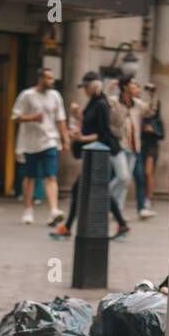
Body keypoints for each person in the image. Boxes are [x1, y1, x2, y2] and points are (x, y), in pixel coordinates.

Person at [50, 73, 130, 242]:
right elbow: (89, 123)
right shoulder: (94, 102)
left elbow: (102, 133)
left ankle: (67, 227)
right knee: (90, 189)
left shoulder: (101, 104)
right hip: (95, 152)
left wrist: (81, 138)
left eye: (85, 86)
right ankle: (121, 224)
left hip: (101, 153)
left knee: (81, 188)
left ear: (93, 86)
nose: (84, 90)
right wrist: (78, 115)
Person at [11, 67, 69, 225]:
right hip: (30, 143)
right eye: (49, 78)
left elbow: (60, 118)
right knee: (30, 177)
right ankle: (28, 210)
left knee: (50, 176)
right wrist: (32, 117)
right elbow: (15, 117)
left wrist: (65, 138)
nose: (52, 81)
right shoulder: (27, 95)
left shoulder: (55, 96)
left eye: (52, 78)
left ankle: (53, 210)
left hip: (50, 140)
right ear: (40, 79)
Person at [108, 74, 148, 219]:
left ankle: (117, 210)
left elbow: (150, 111)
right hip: (119, 144)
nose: (136, 86)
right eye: (133, 84)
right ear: (125, 86)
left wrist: (153, 94)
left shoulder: (137, 103)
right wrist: (109, 90)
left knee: (125, 181)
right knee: (123, 177)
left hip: (133, 146)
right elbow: (112, 117)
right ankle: (102, 197)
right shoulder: (114, 101)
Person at [140, 83, 164, 217]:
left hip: (151, 146)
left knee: (149, 172)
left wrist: (153, 130)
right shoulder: (142, 115)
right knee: (142, 174)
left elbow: (162, 135)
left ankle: (148, 199)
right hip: (142, 145)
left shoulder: (157, 120)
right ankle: (145, 198)